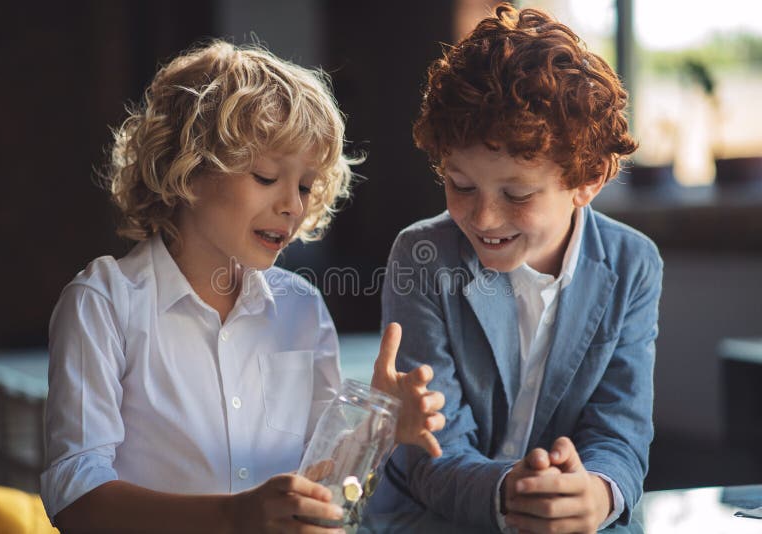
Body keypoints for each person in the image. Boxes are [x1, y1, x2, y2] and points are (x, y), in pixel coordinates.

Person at [40, 40, 446, 534]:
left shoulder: (303, 308)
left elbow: (321, 486)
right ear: (187, 166)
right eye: (267, 176)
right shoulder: (103, 302)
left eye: (304, 186)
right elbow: (75, 500)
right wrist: (235, 517)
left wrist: (378, 432)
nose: (293, 206)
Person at [372, 5, 662, 533]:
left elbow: (619, 432)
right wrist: (514, 493)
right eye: (460, 186)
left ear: (589, 177)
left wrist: (595, 493)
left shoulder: (632, 264)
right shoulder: (423, 256)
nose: (482, 217)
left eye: (517, 194)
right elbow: (433, 450)